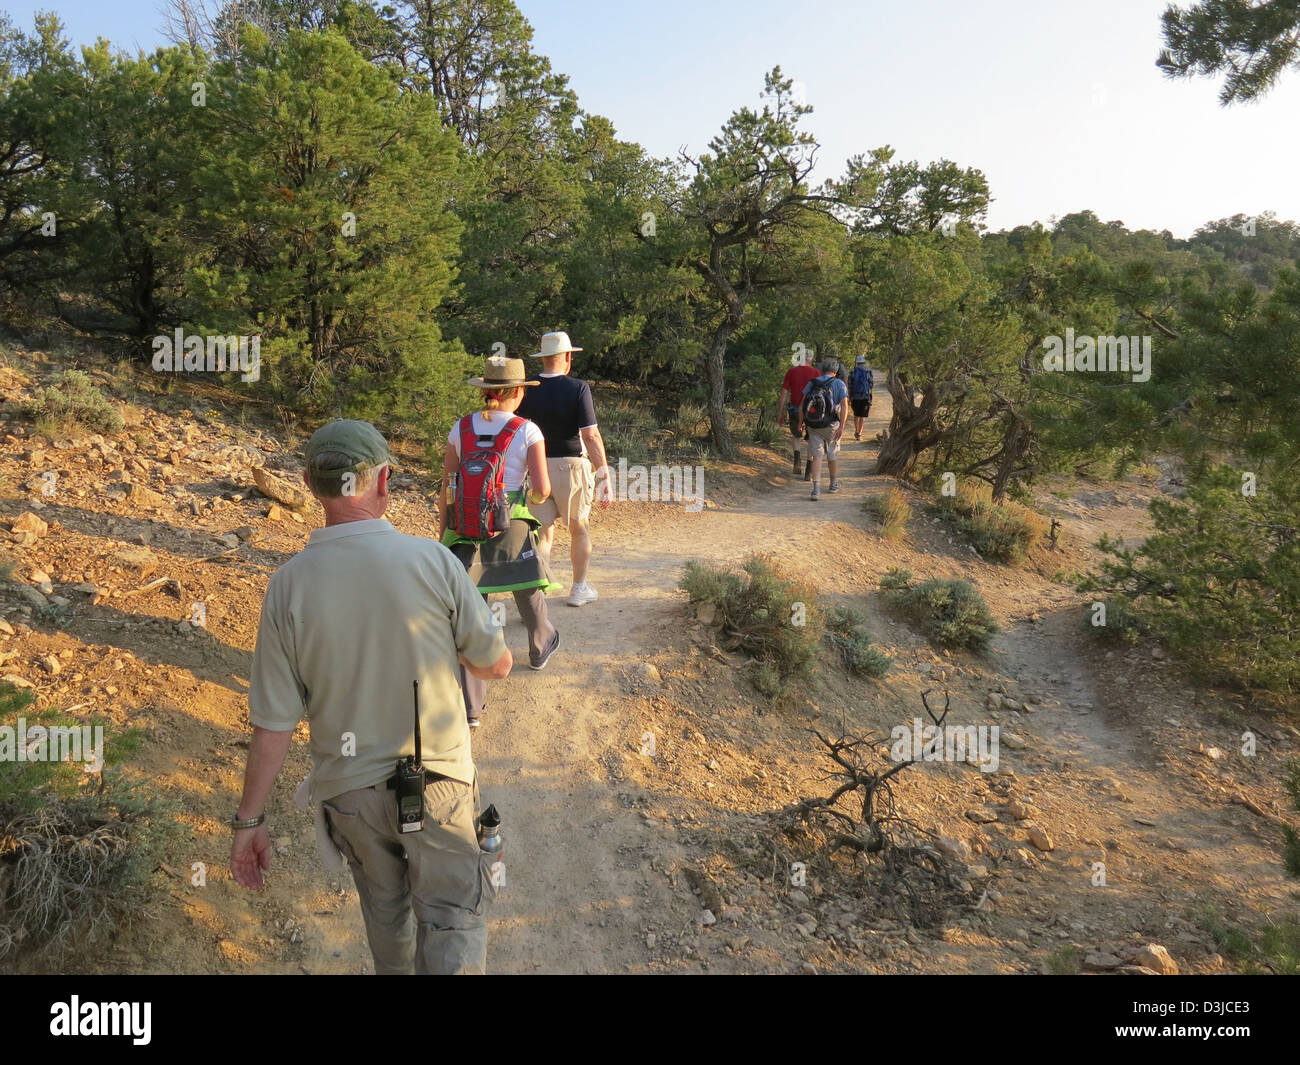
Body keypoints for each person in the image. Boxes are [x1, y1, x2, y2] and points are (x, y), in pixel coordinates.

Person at [232, 418, 513, 975]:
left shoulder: (287, 585)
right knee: (454, 921)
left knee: (389, 931)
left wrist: (249, 823)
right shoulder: (433, 560)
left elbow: (274, 723)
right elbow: (496, 663)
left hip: (351, 797)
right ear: (382, 481)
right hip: (439, 787)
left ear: (313, 487)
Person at [440, 355, 562, 726]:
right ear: (517, 393)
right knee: (525, 585)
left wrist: (444, 531)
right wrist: (530, 500)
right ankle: (541, 646)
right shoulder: (528, 431)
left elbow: (447, 487)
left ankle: (472, 707)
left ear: (487, 391)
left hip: (463, 525)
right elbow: (542, 489)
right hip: (509, 523)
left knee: (471, 604)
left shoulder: (459, 428)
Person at [515, 330, 612, 607]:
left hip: (537, 468)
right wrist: (603, 472)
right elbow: (591, 435)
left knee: (543, 531)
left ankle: (538, 593)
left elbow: (519, 431)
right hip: (571, 466)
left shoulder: (527, 389)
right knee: (578, 528)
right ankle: (578, 588)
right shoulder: (578, 388)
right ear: (568, 358)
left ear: (543, 358)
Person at [797, 357, 849, 501]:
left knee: (817, 456)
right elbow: (845, 407)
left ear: (821, 369)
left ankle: (816, 490)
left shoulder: (812, 383)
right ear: (836, 370)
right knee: (832, 453)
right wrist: (842, 427)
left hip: (814, 425)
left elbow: (802, 406)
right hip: (832, 425)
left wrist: (801, 423)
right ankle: (833, 484)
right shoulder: (839, 384)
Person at [778, 355, 819, 478]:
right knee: (811, 438)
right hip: (811, 409)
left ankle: (796, 461)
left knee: (796, 435)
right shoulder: (816, 372)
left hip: (795, 408)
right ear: (810, 360)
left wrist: (780, 412)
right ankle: (808, 470)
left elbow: (784, 393)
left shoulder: (791, 372)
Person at [849, 354, 874, 441]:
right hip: (865, 396)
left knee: (856, 414)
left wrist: (850, 397)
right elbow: (871, 385)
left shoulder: (853, 371)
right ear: (864, 362)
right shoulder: (868, 371)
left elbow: (850, 384)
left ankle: (856, 431)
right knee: (862, 416)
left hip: (855, 397)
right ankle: (859, 433)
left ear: (857, 363)